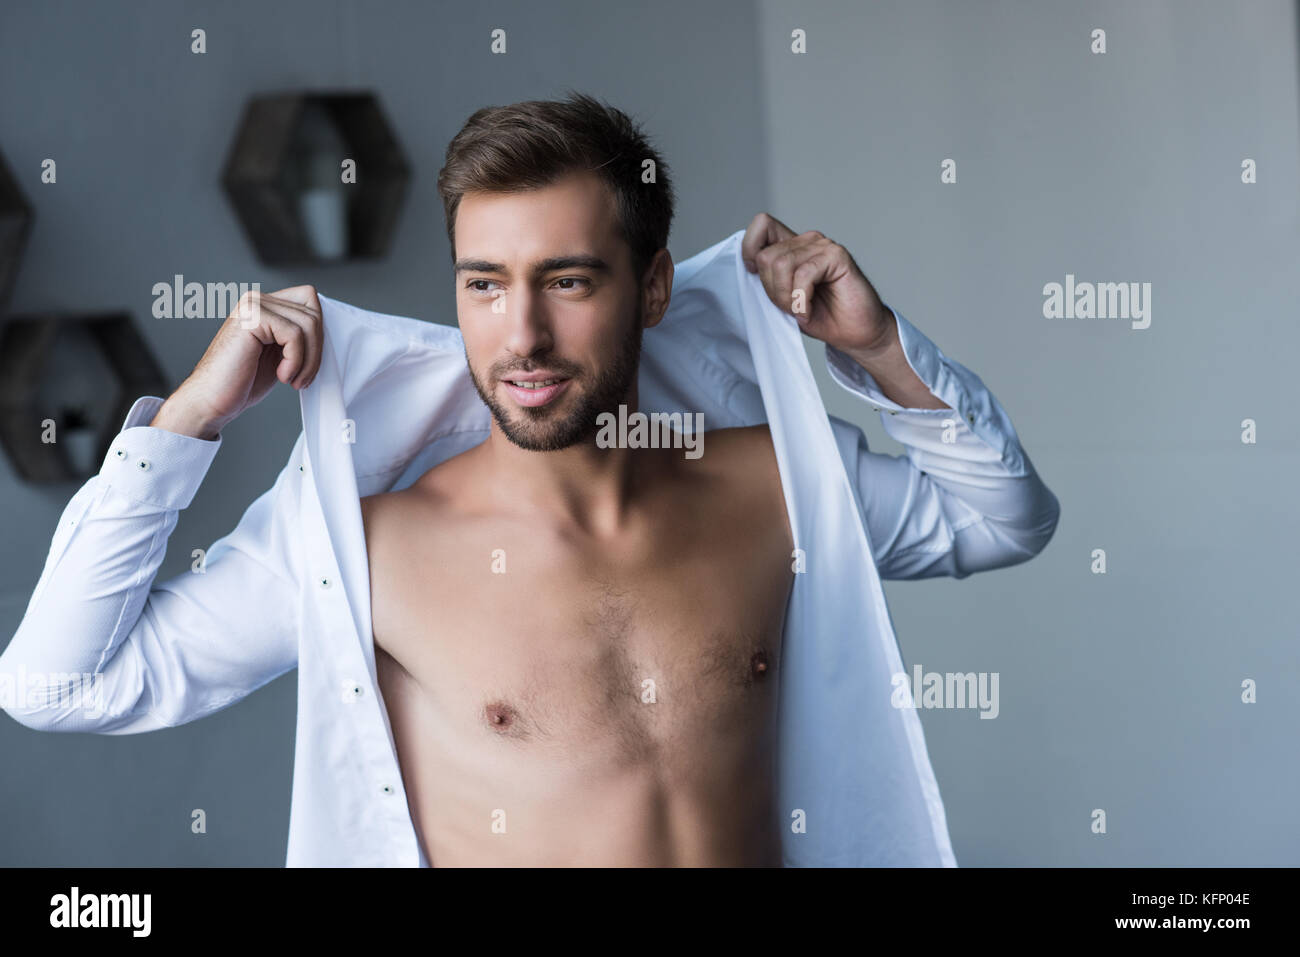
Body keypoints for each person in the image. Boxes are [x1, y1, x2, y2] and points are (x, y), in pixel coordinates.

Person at [1, 92, 1059, 866]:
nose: (524, 337)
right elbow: (57, 686)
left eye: (567, 280)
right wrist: (190, 420)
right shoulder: (371, 547)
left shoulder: (770, 487)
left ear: (649, 290)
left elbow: (1001, 521)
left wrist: (879, 350)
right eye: (484, 285)